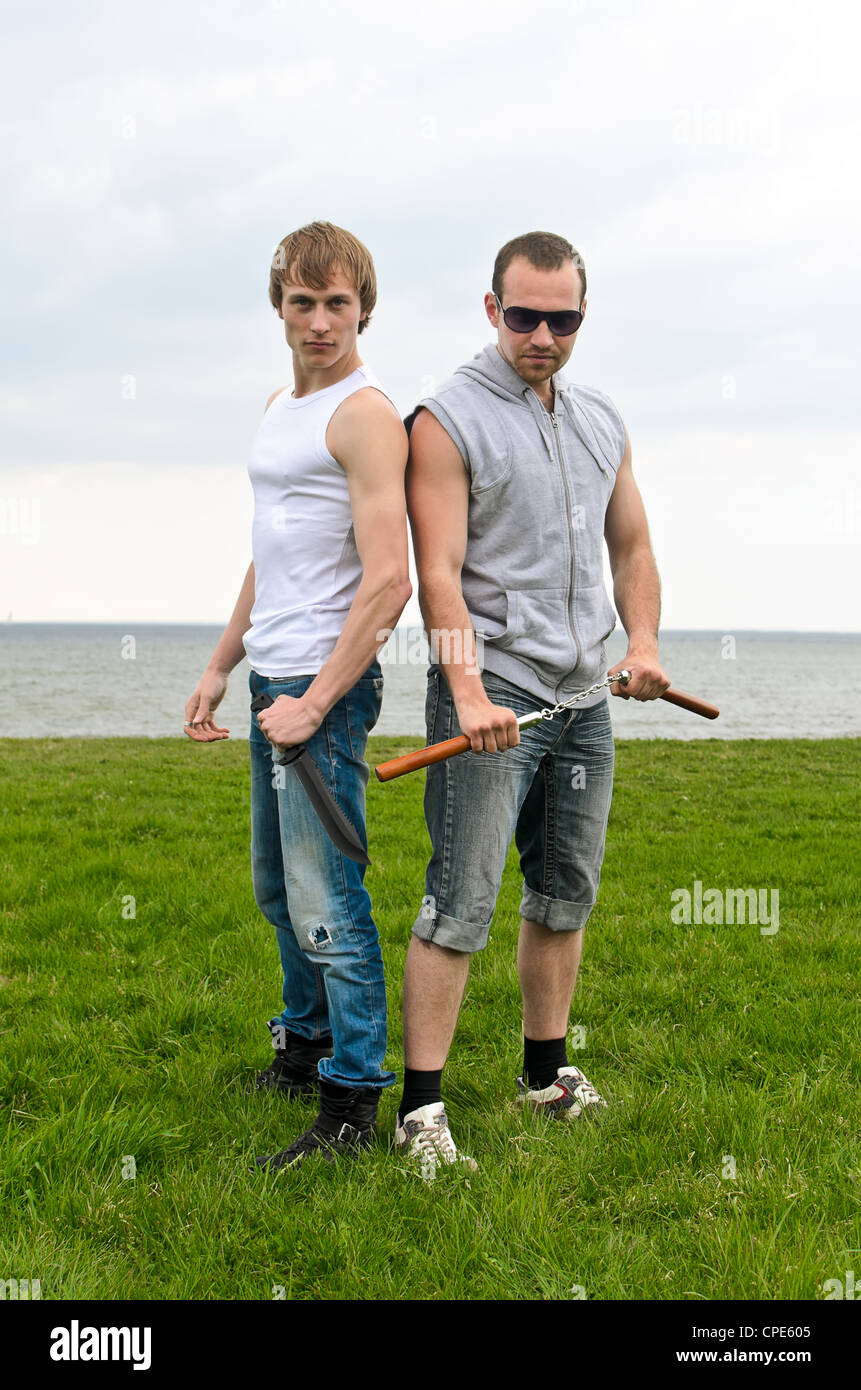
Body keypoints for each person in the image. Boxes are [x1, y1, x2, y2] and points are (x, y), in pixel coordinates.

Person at [397, 230, 670, 1174]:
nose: (541, 335)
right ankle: (420, 1111)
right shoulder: (444, 418)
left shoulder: (600, 417)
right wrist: (466, 689)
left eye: (562, 319)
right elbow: (436, 573)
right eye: (523, 316)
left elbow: (629, 548)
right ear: (490, 309)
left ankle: (543, 1075)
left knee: (564, 892)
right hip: (493, 695)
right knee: (459, 901)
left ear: (580, 318)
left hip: (581, 695)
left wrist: (639, 645)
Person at [184, 221, 410, 1170]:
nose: (319, 321)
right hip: (273, 681)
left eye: (338, 303)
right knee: (279, 892)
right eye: (302, 301)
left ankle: (354, 1104)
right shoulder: (281, 405)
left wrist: (317, 702)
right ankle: (303, 1049)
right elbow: (270, 553)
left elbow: (388, 579)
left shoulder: (363, 414)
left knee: (328, 903)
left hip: (324, 692)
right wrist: (221, 661)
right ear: (277, 305)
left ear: (363, 307)